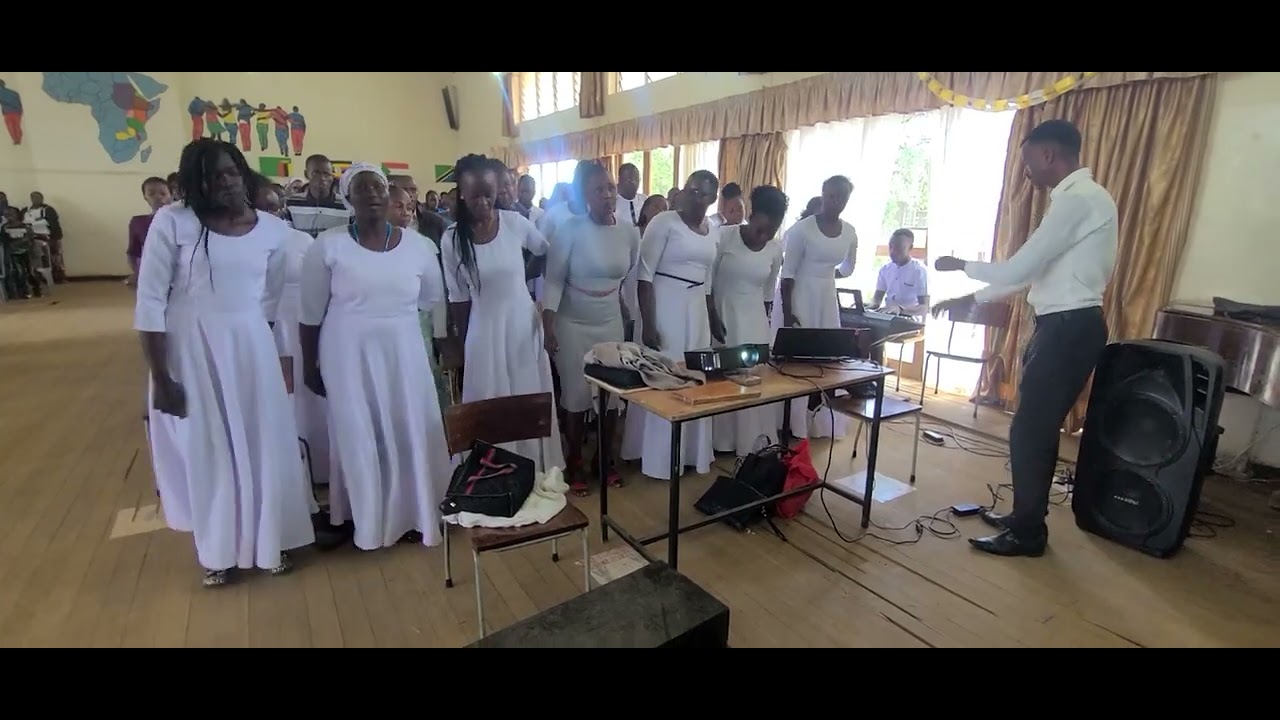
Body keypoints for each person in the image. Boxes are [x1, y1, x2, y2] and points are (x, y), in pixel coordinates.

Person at [133, 138, 314, 587]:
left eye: (232, 172)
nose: (225, 182)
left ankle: (271, 541)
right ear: (195, 184)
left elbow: (269, 301)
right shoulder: (172, 223)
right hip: (189, 348)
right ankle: (218, 551)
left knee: (262, 442)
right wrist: (162, 378)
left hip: (250, 345)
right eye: (213, 175)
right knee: (207, 447)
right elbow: (150, 303)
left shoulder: (272, 230)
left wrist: (263, 352)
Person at [933, 119, 1116, 558]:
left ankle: (1028, 532)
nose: (1026, 172)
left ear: (1049, 155)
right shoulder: (1074, 201)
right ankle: (1023, 516)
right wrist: (970, 297)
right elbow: (1030, 274)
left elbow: (1018, 267)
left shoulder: (1080, 200)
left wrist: (964, 266)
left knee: (1030, 431)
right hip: (1059, 325)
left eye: (1029, 161)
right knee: (1030, 428)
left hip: (1069, 328)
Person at [299, 163, 451, 551]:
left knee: (410, 426)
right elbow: (310, 312)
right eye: (362, 188)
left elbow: (428, 299)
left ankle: (417, 513)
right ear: (347, 197)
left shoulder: (420, 246)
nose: (372, 194)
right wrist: (309, 363)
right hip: (347, 352)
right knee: (361, 431)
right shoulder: (328, 246)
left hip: (403, 348)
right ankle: (368, 517)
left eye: (379, 187)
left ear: (391, 196)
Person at [441, 154, 563, 473]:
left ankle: (533, 467)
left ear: (497, 192)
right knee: (490, 397)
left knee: (525, 393)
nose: (482, 202)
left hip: (522, 325)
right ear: (461, 194)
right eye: (474, 195)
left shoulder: (514, 223)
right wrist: (465, 344)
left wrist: (522, 276)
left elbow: (545, 251)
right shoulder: (452, 238)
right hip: (484, 328)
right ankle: (495, 472)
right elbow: (458, 298)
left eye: (488, 194)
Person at [542, 161, 640, 495]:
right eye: (599, 190)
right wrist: (549, 324)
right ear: (585, 195)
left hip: (610, 319)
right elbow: (552, 282)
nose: (607, 195)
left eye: (610, 188)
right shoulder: (569, 230)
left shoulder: (629, 231)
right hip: (572, 322)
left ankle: (605, 459)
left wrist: (631, 315)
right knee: (576, 393)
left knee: (611, 394)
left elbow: (629, 278)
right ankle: (574, 461)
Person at [621, 170, 721, 480]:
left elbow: (708, 281)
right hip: (665, 303)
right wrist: (648, 323)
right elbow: (644, 276)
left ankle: (690, 452)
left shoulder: (712, 229)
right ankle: (658, 456)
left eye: (703, 193)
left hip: (696, 310)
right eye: (691, 190)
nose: (696, 198)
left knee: (694, 377)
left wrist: (713, 317)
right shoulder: (663, 222)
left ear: (712, 198)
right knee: (666, 376)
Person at [773, 175, 857, 439]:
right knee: (800, 361)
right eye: (832, 195)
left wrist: (826, 278)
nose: (836, 201)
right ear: (823, 194)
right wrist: (788, 314)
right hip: (800, 295)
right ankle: (792, 421)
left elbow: (848, 268)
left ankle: (816, 419)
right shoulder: (803, 229)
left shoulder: (850, 231)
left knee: (826, 358)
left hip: (826, 297)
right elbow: (787, 273)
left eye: (842, 197)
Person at [711, 185, 787, 456]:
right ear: (752, 216)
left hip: (754, 320)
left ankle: (752, 442)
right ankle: (722, 442)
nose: (764, 236)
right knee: (724, 380)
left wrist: (765, 328)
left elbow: (768, 292)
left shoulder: (775, 249)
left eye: (772, 231)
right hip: (722, 316)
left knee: (753, 380)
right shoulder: (724, 237)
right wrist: (712, 317)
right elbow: (708, 284)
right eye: (761, 229)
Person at [285, 154, 350, 237]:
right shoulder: (292, 202)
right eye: (316, 173)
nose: (322, 178)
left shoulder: (345, 205)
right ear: (306, 174)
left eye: (326, 174)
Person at [869, 229, 929, 316]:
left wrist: (900, 310)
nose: (893, 252)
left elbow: (924, 308)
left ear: (910, 248)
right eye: (891, 247)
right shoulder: (885, 269)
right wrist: (867, 306)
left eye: (899, 248)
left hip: (908, 320)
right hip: (888, 318)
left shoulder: (919, 271)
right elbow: (876, 301)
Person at [126, 177, 173, 287]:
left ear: (170, 195)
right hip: (151, 277)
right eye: (151, 194)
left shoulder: (181, 221)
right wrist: (139, 273)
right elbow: (133, 253)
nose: (157, 197)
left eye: (163, 193)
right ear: (145, 197)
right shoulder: (138, 222)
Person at [24, 192, 64, 283]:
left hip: (47, 236)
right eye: (34, 198)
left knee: (53, 258)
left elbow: (54, 224)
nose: (36, 200)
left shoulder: (48, 210)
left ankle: (56, 277)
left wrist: (54, 238)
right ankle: (37, 276)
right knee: (36, 257)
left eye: (38, 198)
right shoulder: (26, 211)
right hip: (32, 237)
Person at [2, 206, 39, 299]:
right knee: (19, 272)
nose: (9, 216)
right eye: (7, 214)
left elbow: (30, 239)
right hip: (14, 253)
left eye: (11, 214)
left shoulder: (25, 226)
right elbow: (3, 240)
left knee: (31, 272)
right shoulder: (5, 227)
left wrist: (26, 243)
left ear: (17, 214)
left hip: (27, 252)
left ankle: (36, 288)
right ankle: (23, 292)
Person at [615, 162, 646, 227]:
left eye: (636, 179)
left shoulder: (644, 200)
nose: (634, 182)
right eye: (629, 179)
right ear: (620, 180)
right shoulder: (612, 203)